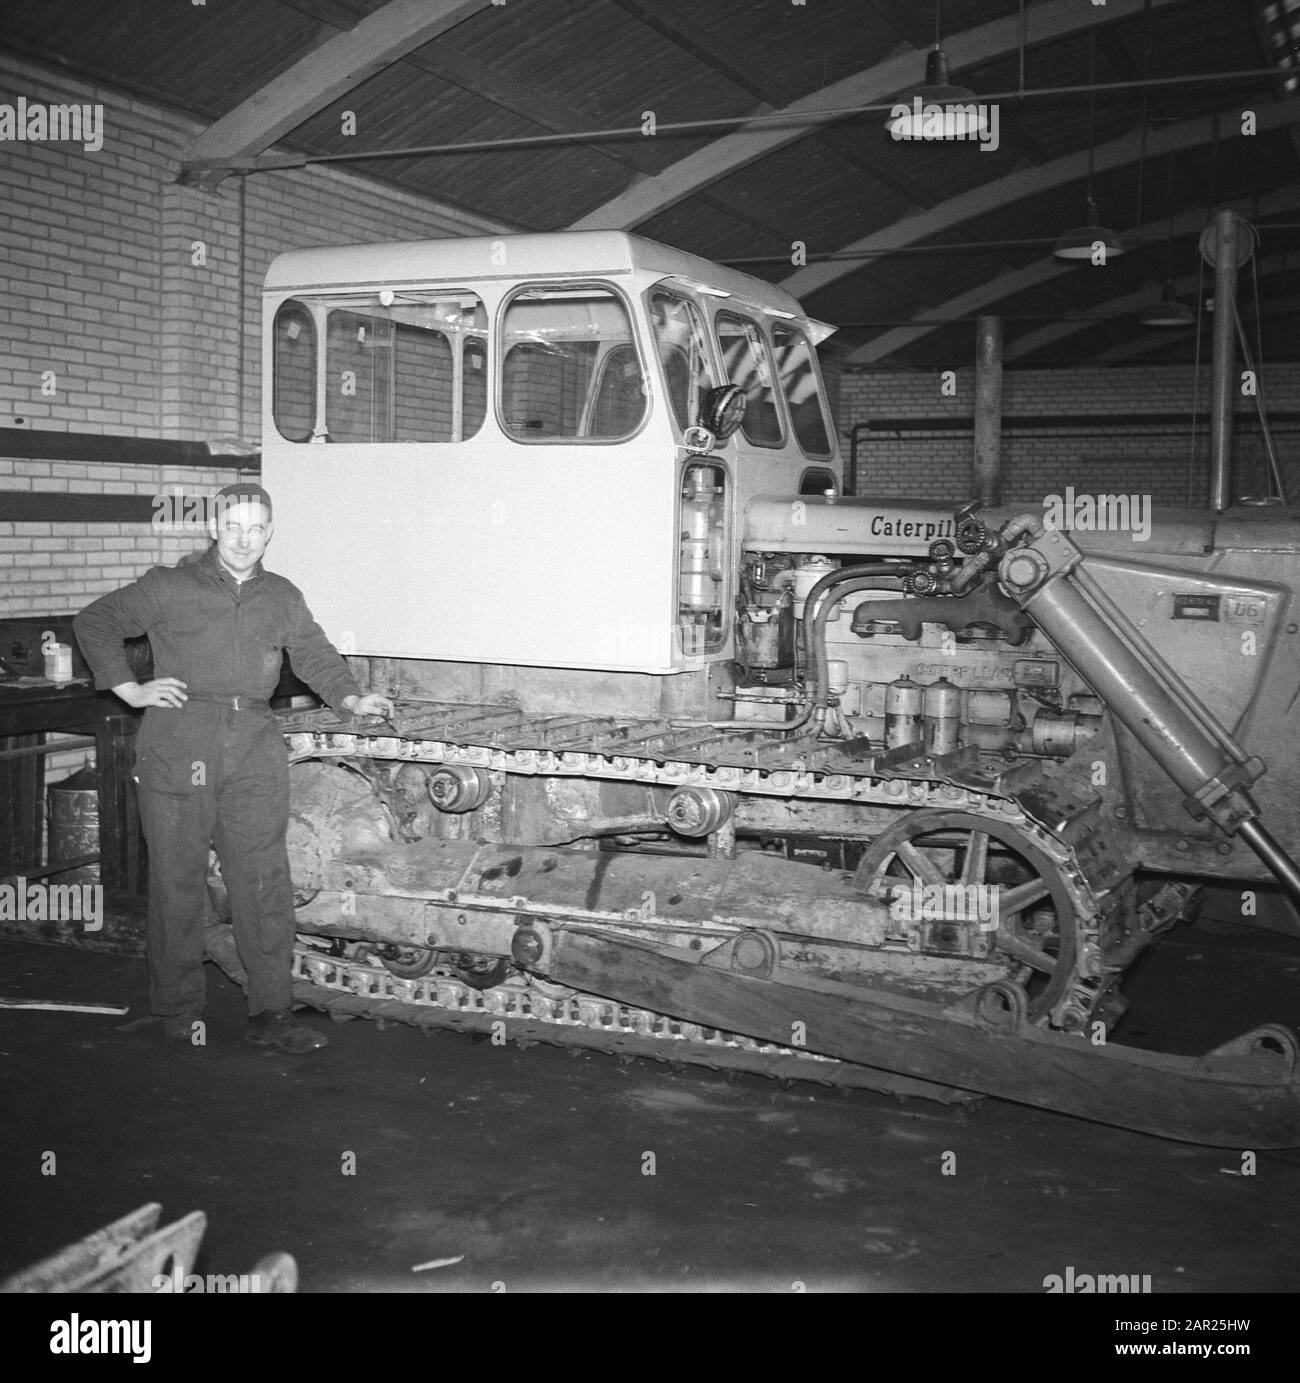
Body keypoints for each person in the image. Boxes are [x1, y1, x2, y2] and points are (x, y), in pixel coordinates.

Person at [74, 482, 393, 1053]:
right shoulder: (169, 586)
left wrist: (350, 699)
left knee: (264, 881)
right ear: (213, 529)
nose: (245, 539)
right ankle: (175, 1008)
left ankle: (272, 1012)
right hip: (179, 740)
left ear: (270, 532)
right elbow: (96, 621)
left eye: (257, 528)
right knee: (177, 880)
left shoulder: (283, 595)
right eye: (234, 527)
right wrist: (129, 688)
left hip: (253, 744)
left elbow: (315, 653)